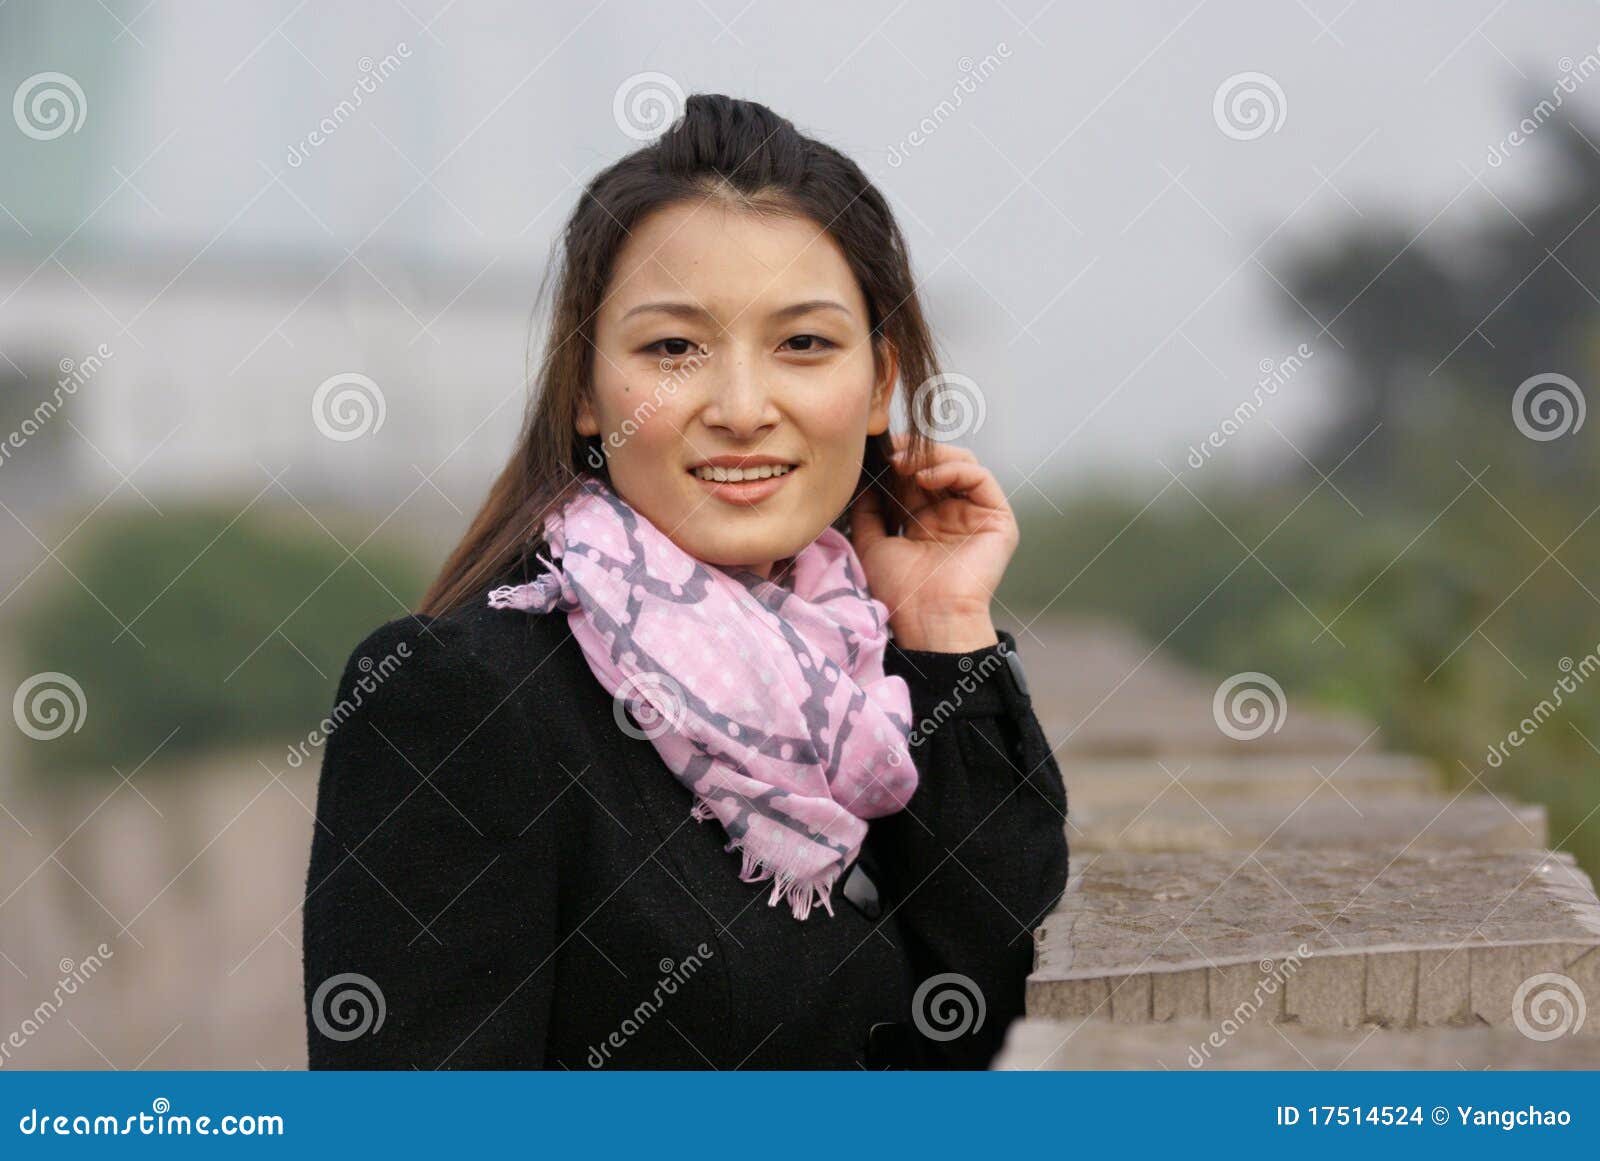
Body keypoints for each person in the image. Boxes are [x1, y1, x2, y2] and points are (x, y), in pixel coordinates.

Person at [301, 93, 1068, 1070]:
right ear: (584, 391)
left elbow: (1000, 1000)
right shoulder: (460, 701)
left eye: (802, 344)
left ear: (877, 386)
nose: (742, 407)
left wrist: (942, 619)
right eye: (673, 349)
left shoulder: (864, 683)